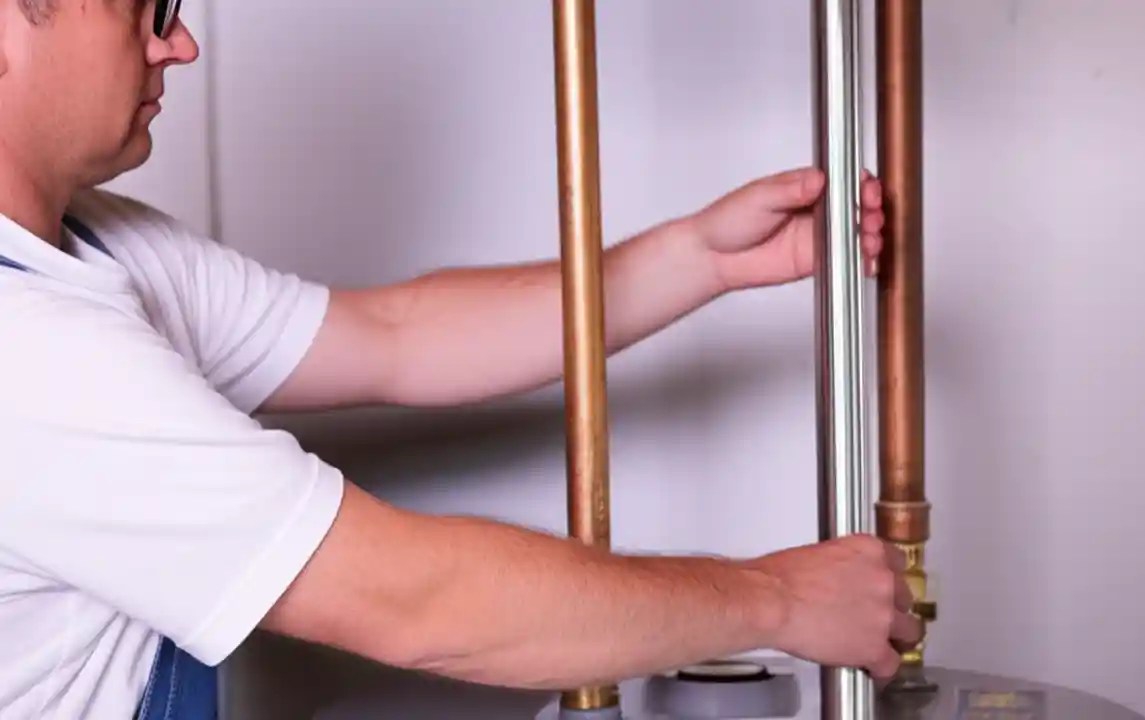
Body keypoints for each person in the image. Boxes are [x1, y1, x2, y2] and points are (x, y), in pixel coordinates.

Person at [0, 1, 920, 718]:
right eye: (140, 8)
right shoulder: (30, 350)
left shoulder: (99, 251)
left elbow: (392, 341)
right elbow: (416, 602)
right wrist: (776, 600)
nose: (181, 44)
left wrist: (698, 259)